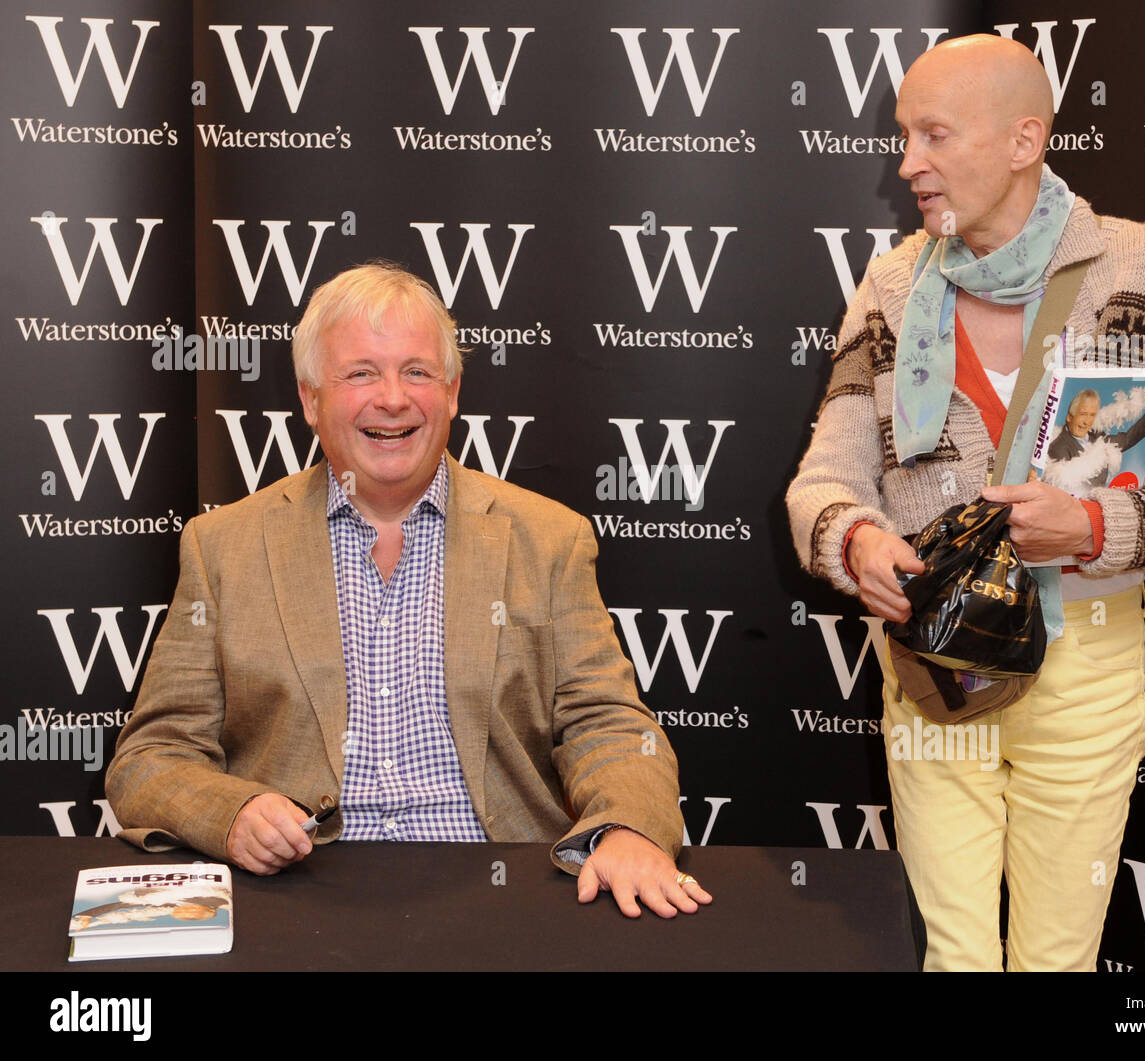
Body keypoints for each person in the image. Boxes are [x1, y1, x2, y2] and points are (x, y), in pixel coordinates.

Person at [786, 35, 1145, 970]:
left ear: (1023, 139)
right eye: (903, 135)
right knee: (952, 956)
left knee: (1058, 959)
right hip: (932, 665)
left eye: (932, 135)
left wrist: (1096, 525)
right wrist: (854, 541)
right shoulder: (891, 286)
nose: (906, 164)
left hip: (1084, 668)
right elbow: (826, 477)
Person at [108, 262, 711, 920]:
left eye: (417, 372)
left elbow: (612, 725)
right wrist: (234, 814)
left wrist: (628, 825)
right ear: (311, 399)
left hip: (501, 890)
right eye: (360, 373)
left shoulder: (548, 539)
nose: (392, 398)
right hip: (297, 899)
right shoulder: (222, 546)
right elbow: (149, 758)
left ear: (452, 392)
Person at [1043, 386, 1145, 493]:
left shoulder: (1096, 436)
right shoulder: (1058, 448)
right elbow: (1064, 491)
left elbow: (1127, 439)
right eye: (1083, 414)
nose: (1086, 421)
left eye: (1092, 415)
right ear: (1069, 417)